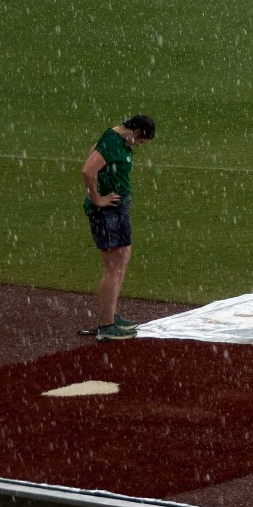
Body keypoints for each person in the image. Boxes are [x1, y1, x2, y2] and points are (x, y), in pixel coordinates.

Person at [80, 114, 155, 341]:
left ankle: (111, 315)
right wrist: (97, 198)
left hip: (118, 210)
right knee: (113, 266)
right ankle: (106, 325)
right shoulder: (112, 141)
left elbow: (93, 153)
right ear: (137, 132)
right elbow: (88, 170)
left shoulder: (116, 138)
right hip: (108, 213)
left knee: (122, 260)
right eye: (140, 141)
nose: (138, 146)